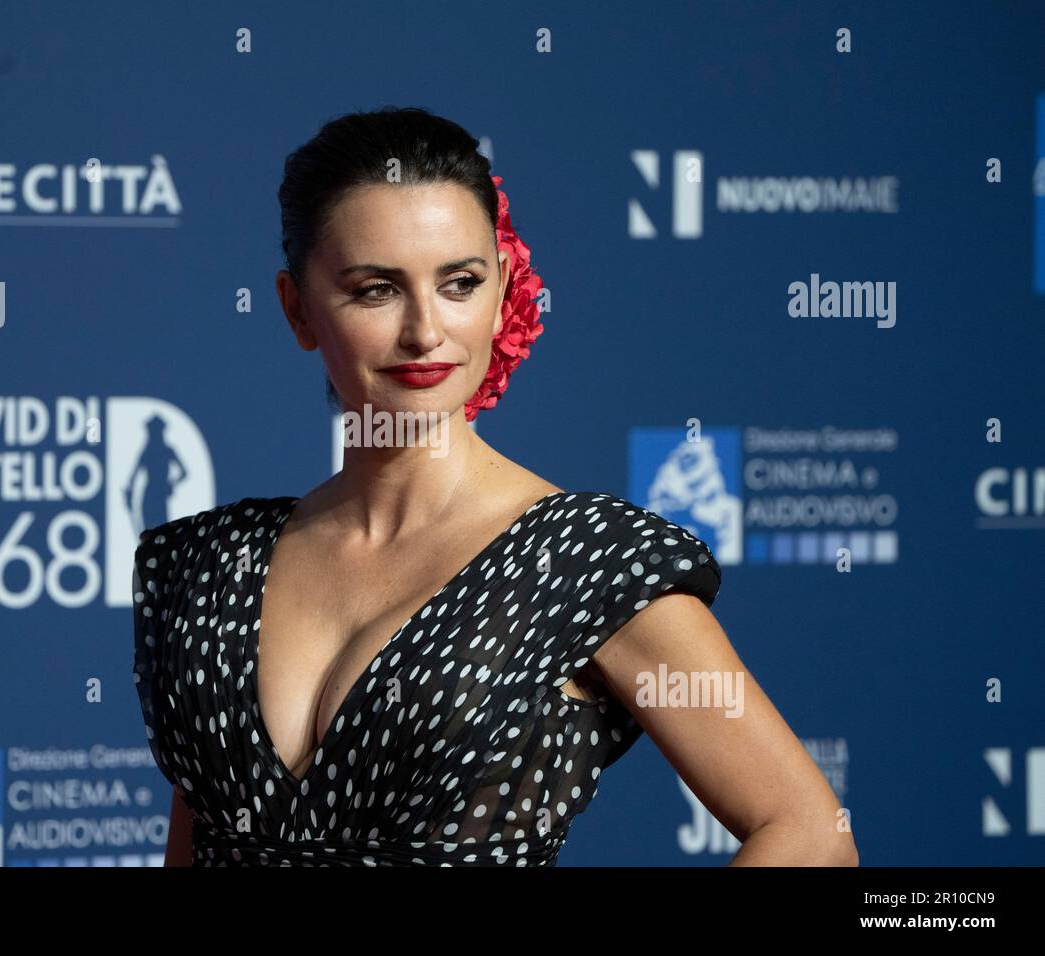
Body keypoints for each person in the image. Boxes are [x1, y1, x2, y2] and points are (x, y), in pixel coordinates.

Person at [132, 106, 858, 867]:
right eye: (376, 289)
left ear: (503, 289)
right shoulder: (208, 564)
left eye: (459, 283)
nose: (425, 331)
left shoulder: (585, 562)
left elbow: (809, 833)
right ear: (296, 308)